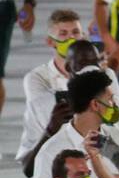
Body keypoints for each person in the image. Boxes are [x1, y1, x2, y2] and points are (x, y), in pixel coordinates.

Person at [18, 9, 82, 162]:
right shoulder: (36, 78)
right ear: (50, 42)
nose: (71, 38)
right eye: (63, 34)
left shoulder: (97, 71)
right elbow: (45, 113)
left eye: (75, 32)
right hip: (43, 151)